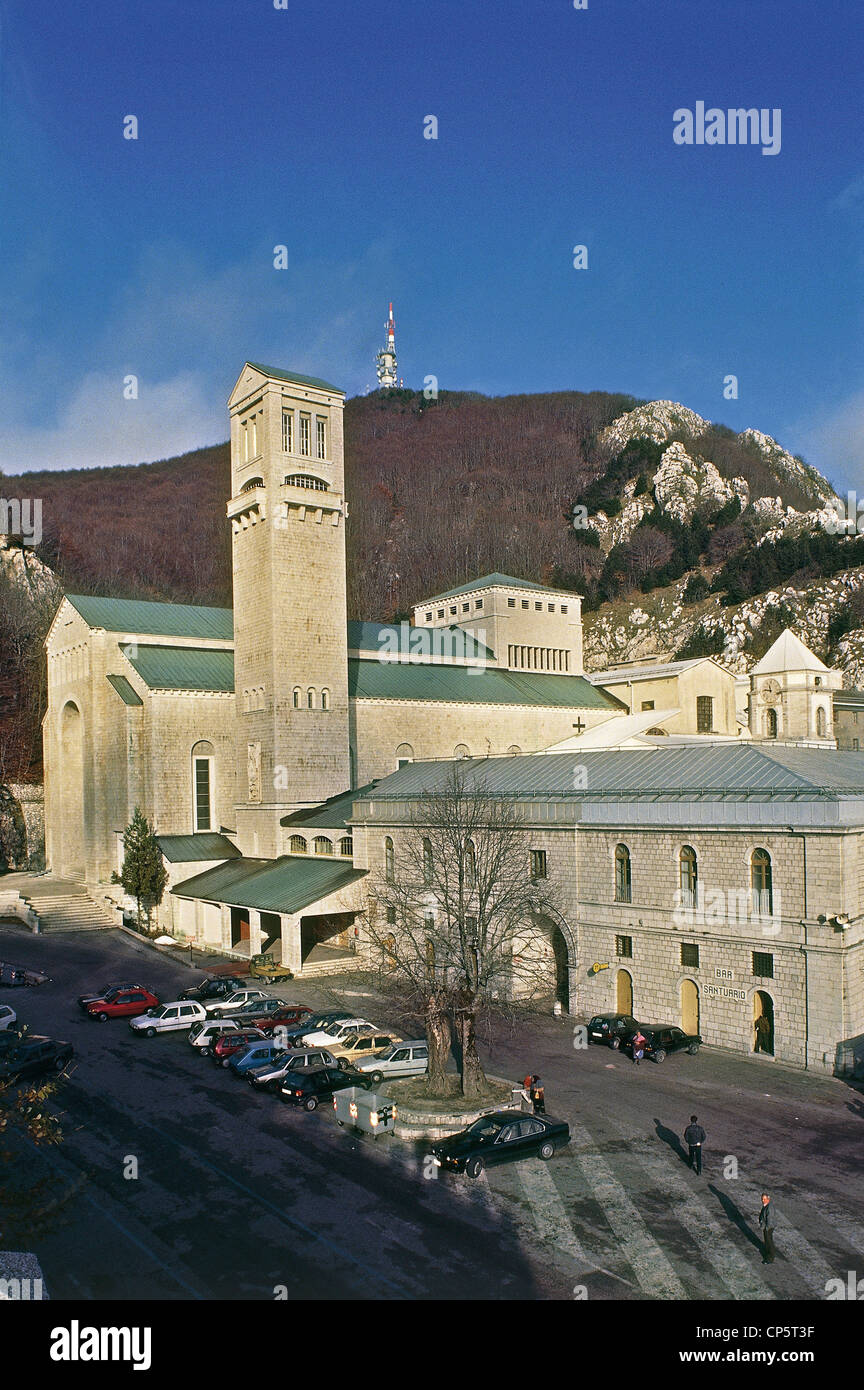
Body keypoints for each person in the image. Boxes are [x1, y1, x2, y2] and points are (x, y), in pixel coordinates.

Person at [759, 1192, 776, 1264]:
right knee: (767, 1241)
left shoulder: (769, 1208)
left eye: (764, 1199)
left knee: (769, 1242)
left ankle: (770, 1258)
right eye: (762, 1199)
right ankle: (768, 1253)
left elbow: (770, 1219)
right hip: (766, 1227)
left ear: (768, 1199)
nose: (763, 1200)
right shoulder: (766, 1205)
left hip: (768, 1227)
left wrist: (767, 1228)